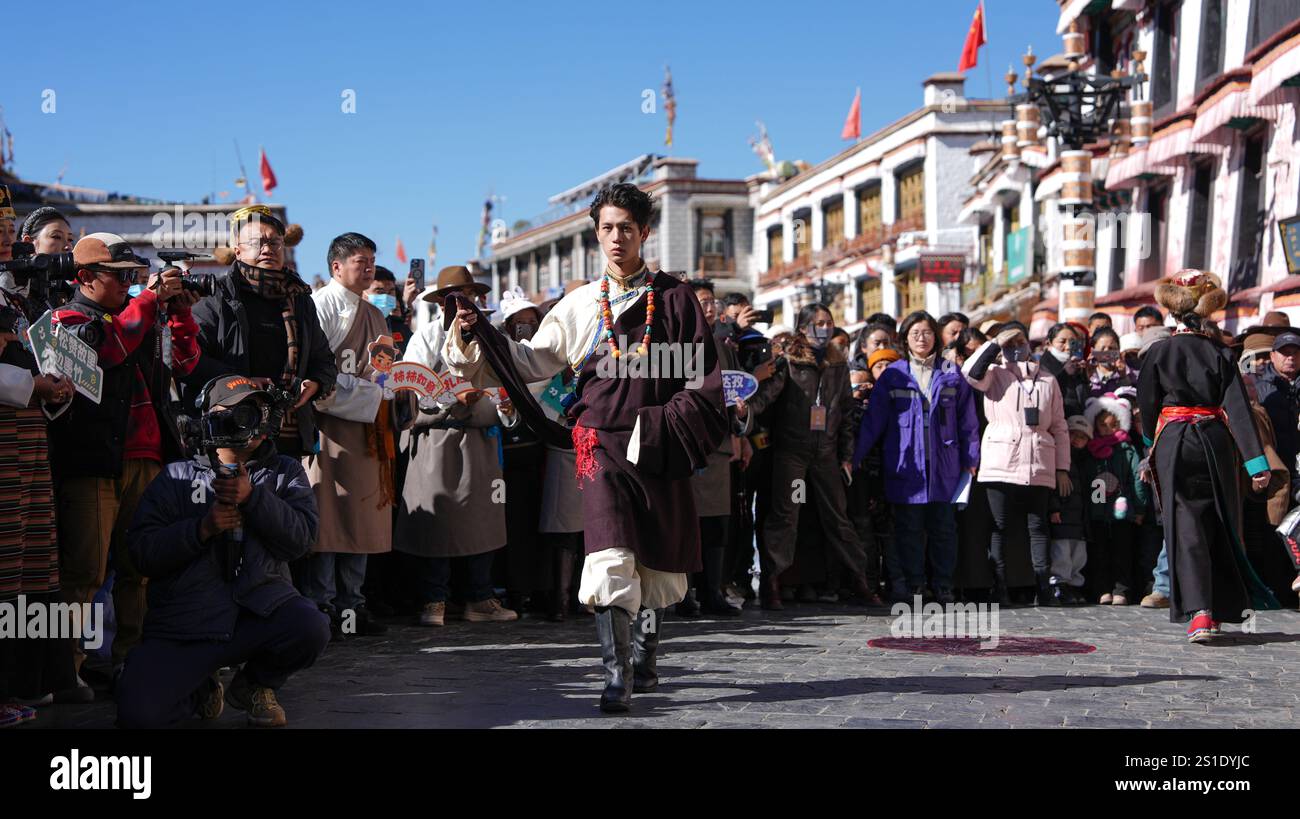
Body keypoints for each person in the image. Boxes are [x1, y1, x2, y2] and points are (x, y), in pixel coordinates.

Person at [443, 183, 727, 712]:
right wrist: (475, 331)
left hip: (659, 442)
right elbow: (532, 362)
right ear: (596, 234)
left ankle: (645, 655)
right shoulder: (578, 305)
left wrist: (669, 424)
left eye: (626, 228)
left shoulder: (676, 298)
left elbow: (701, 379)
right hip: (598, 444)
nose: (616, 238)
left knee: (658, 559)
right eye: (606, 229)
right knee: (609, 551)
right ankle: (615, 675)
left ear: (645, 232)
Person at [115, 377, 330, 728]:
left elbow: (302, 541)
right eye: (239, 411)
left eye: (257, 410)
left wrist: (254, 499)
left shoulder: (285, 472)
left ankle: (255, 685)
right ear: (210, 416)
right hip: (187, 625)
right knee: (139, 714)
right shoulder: (175, 477)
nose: (251, 421)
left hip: (257, 613)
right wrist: (201, 530)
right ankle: (201, 687)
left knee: (310, 626)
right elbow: (141, 553)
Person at [48, 233, 202, 688]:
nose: (128, 283)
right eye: (118, 276)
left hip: (147, 458)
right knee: (84, 573)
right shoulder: (65, 318)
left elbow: (188, 365)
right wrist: (152, 299)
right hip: (93, 460)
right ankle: (66, 672)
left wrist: (181, 313)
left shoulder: (142, 315)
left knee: (140, 569)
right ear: (84, 277)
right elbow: (104, 351)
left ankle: (132, 663)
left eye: (132, 275)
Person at [1137, 270, 1278, 642]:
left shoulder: (1157, 352)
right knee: (1220, 522)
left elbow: (1148, 410)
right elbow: (1239, 409)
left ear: (1171, 313)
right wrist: (1256, 463)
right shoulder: (1220, 353)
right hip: (1214, 442)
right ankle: (1215, 609)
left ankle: (1199, 613)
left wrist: (1151, 451)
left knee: (1185, 527)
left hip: (1172, 443)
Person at [738, 302, 875, 608]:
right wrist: (745, 411)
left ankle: (860, 579)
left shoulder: (838, 365)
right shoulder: (789, 362)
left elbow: (845, 411)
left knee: (838, 517)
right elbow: (767, 397)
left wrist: (846, 455)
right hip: (793, 453)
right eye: (819, 323)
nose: (825, 329)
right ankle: (772, 581)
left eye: (829, 323)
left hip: (825, 454)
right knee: (786, 516)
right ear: (803, 329)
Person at [0, 198, 77, 721]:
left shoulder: (19, 298)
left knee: (28, 562)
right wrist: (32, 384)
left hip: (26, 441)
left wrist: (56, 388)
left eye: (8, 225)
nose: (6, 235)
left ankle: (22, 680)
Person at [302, 233, 399, 638]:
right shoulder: (320, 307)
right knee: (327, 517)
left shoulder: (375, 314)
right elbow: (313, 372)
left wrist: (384, 390)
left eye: (372, 261)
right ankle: (320, 605)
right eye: (361, 261)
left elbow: (384, 368)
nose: (369, 267)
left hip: (368, 430)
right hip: (329, 426)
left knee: (362, 514)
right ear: (336, 267)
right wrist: (368, 393)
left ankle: (353, 604)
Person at [186, 205, 336, 459]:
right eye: (257, 242)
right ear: (238, 250)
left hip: (289, 434)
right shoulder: (215, 296)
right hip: (232, 431)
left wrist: (317, 382)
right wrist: (241, 385)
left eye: (275, 243)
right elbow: (191, 360)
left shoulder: (299, 299)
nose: (268, 249)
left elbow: (324, 360)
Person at [855, 311, 978, 603]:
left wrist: (972, 458)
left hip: (943, 464)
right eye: (915, 333)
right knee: (908, 529)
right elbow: (875, 421)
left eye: (927, 332)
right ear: (905, 339)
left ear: (935, 336)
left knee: (943, 528)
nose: (921, 338)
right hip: (905, 463)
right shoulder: (894, 374)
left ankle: (944, 584)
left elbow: (968, 421)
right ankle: (915, 584)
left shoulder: (951, 372)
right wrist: (856, 455)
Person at [962, 322, 1071, 606]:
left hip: (1039, 461)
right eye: (1009, 343)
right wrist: (996, 343)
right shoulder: (995, 374)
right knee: (999, 526)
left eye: (1019, 341)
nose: (1015, 348)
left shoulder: (1048, 379)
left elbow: (1059, 426)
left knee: (1038, 527)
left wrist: (1062, 468)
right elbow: (970, 373)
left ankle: (1042, 587)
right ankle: (1000, 587)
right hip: (1001, 461)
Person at [687, 280, 745, 616]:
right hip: (688, 445)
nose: (709, 308)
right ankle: (683, 595)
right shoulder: (674, 342)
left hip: (719, 447)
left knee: (716, 524)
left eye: (712, 302)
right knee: (686, 523)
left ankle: (712, 591)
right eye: (702, 302)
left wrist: (740, 419)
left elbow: (739, 390)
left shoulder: (725, 346)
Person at [1082, 395, 1148, 605]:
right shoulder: (1091, 450)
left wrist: (1139, 507)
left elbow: (1136, 479)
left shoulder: (1126, 449)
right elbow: (1087, 480)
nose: (1106, 430)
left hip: (1122, 507)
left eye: (1110, 426)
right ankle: (1102, 588)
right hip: (1098, 507)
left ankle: (1121, 589)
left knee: (1122, 551)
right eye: (1102, 425)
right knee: (1100, 551)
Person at [1050, 415, 1092, 604]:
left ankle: (1074, 586)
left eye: (1082, 437)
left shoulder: (1087, 462)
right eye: (1072, 435)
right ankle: (1060, 585)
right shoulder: (1059, 461)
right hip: (1063, 517)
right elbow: (1051, 488)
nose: (1076, 440)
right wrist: (1054, 508)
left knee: (1078, 556)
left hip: (1080, 520)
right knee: (1061, 555)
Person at [1254, 329, 1300, 485]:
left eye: (1295, 352)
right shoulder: (1258, 389)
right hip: (1274, 473)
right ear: (1272, 356)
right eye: (1285, 352)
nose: (1291, 357)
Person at [1038, 323, 1090, 419]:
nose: (1068, 347)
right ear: (1049, 343)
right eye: (1062, 342)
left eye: (1072, 342)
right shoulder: (1042, 367)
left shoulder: (1077, 364)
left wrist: (1086, 375)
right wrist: (1065, 374)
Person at [1088, 327, 1133, 397]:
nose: (1107, 352)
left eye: (1111, 348)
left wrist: (1123, 377)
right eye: (1102, 348)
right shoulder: (1088, 373)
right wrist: (1086, 378)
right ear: (1093, 351)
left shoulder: (1130, 373)